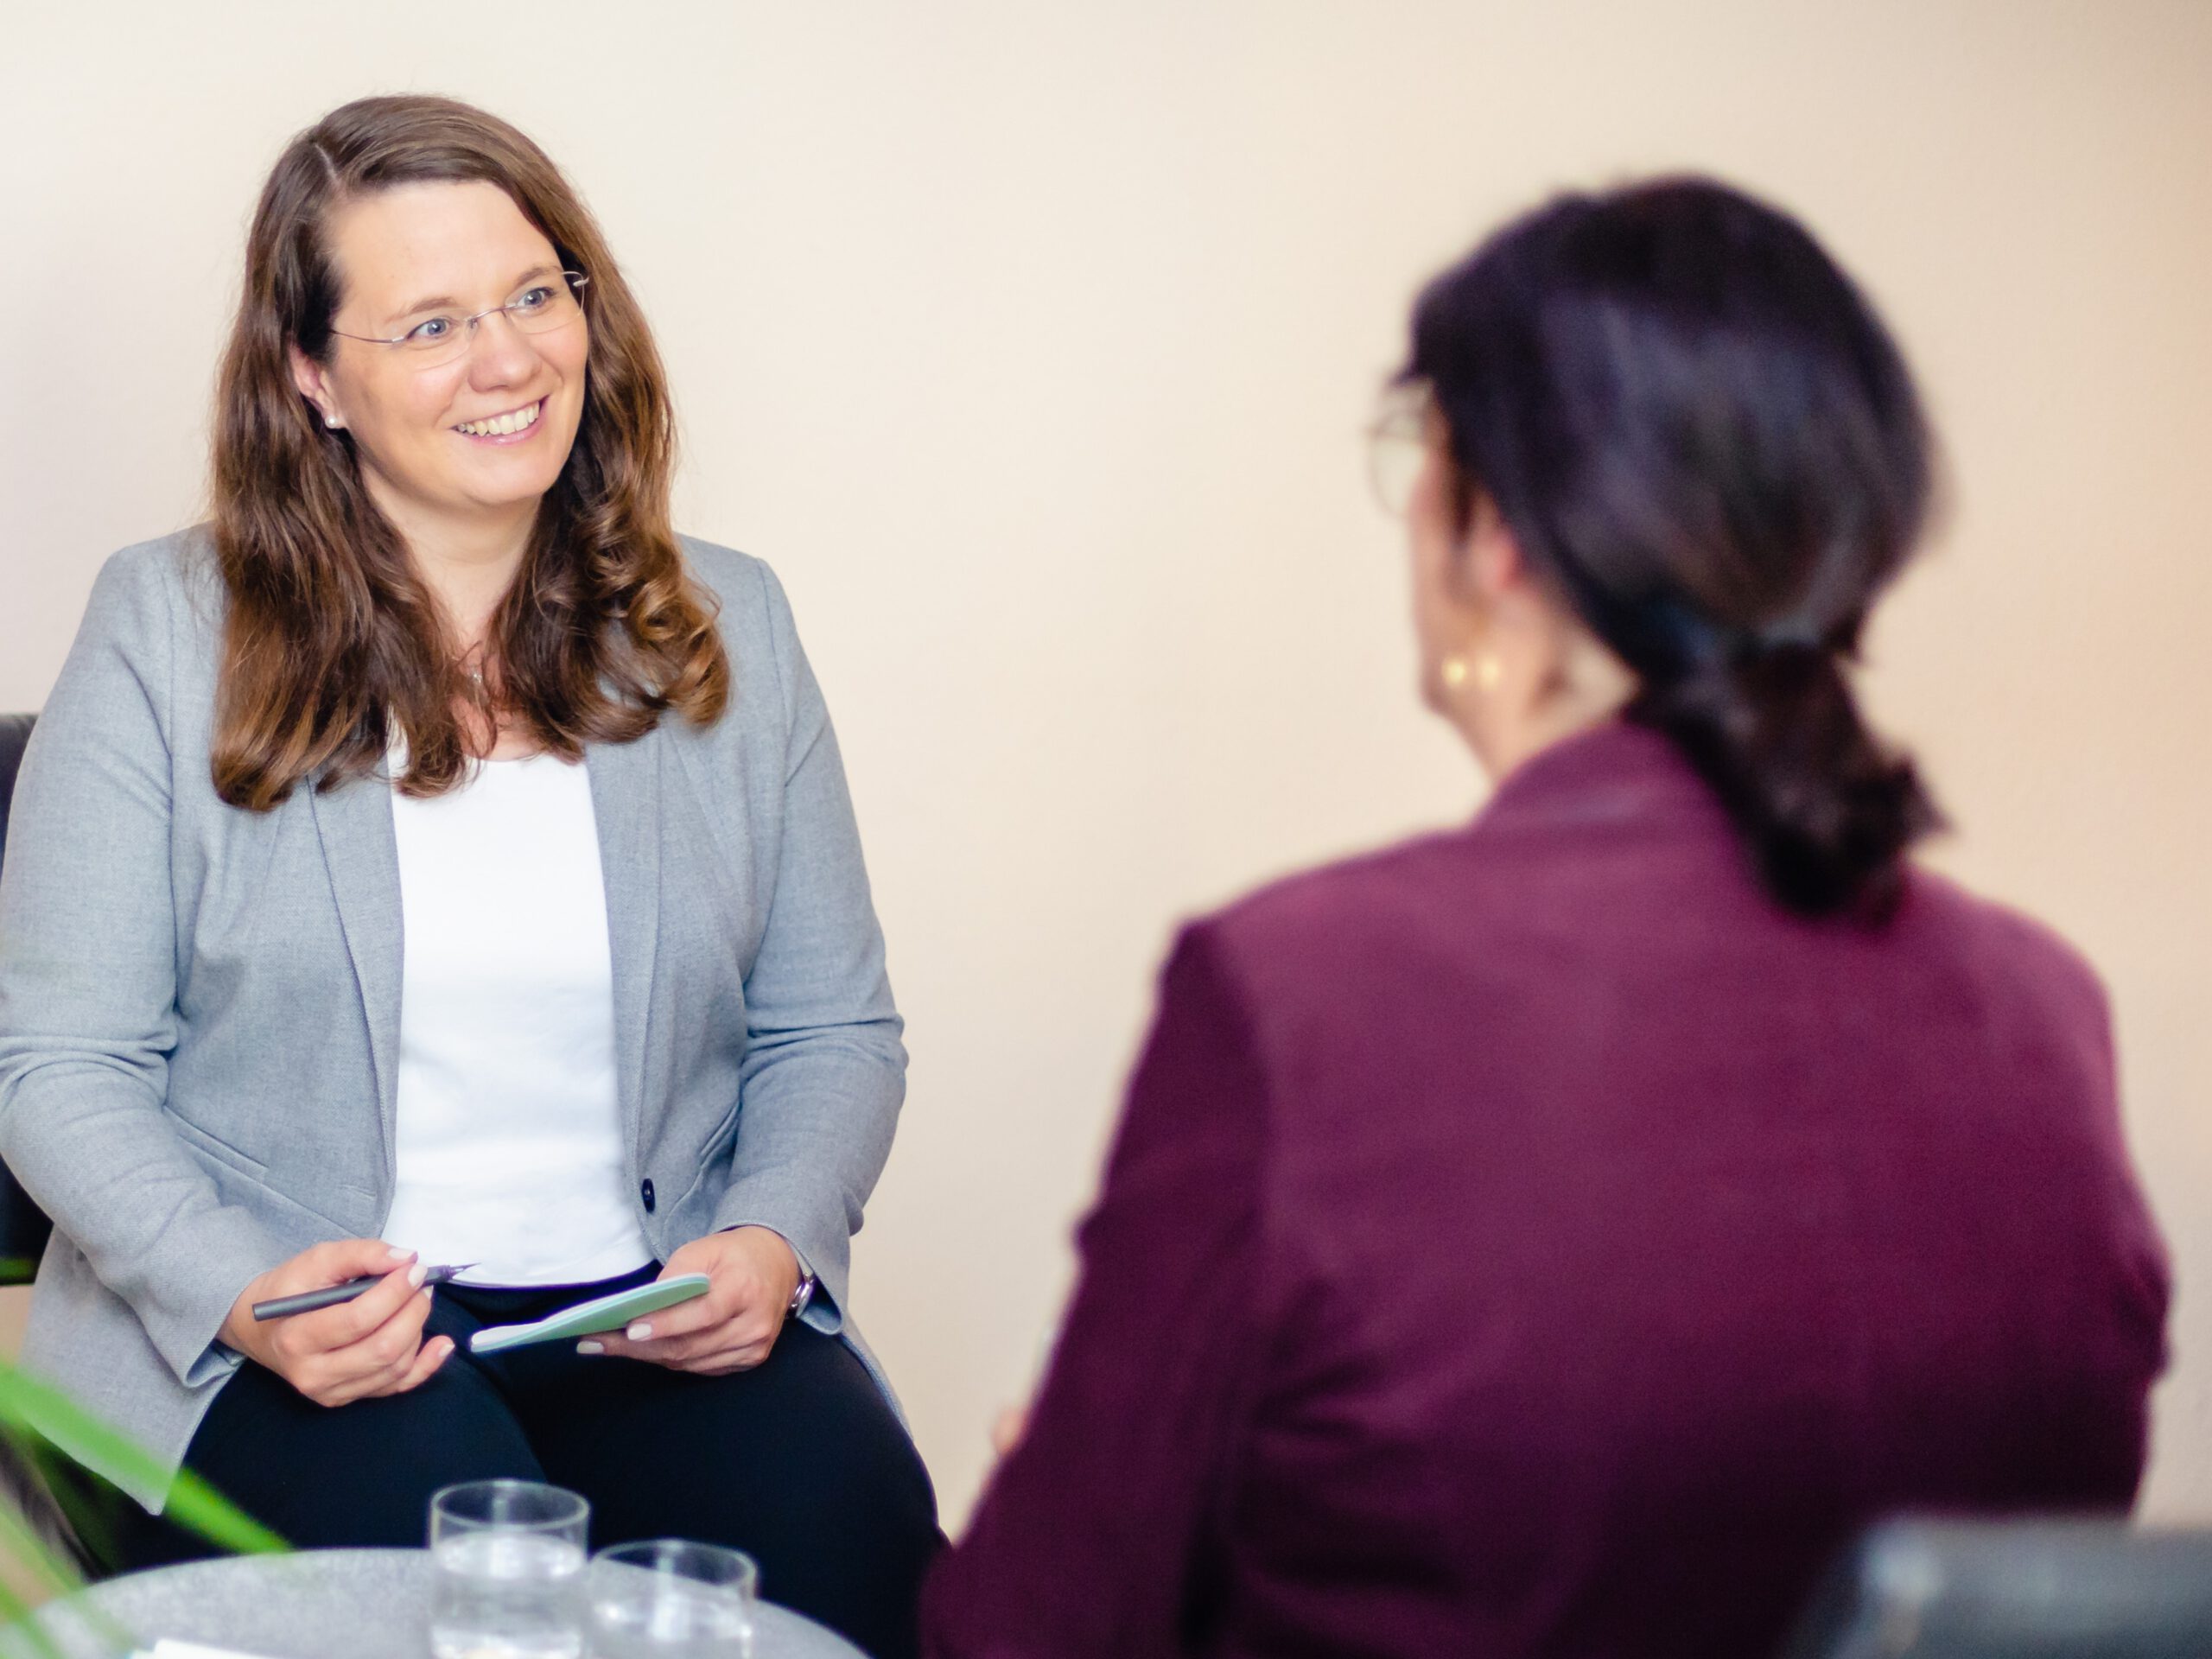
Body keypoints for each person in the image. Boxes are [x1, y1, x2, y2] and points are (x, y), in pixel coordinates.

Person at [920, 178, 2171, 1658]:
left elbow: (1031, 1634)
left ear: (1497, 540)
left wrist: (1055, 1499)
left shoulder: (1298, 998)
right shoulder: (2044, 1012)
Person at [0, 94, 936, 1658]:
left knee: (850, 1528)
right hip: (283, 1343)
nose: (508, 360)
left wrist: (772, 1238)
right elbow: (59, 1066)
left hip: (642, 1315)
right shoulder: (167, 629)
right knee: (452, 1592)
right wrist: (248, 1292)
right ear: (313, 377)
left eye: (532, 294)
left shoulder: (734, 627)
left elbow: (832, 1032)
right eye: (430, 322)